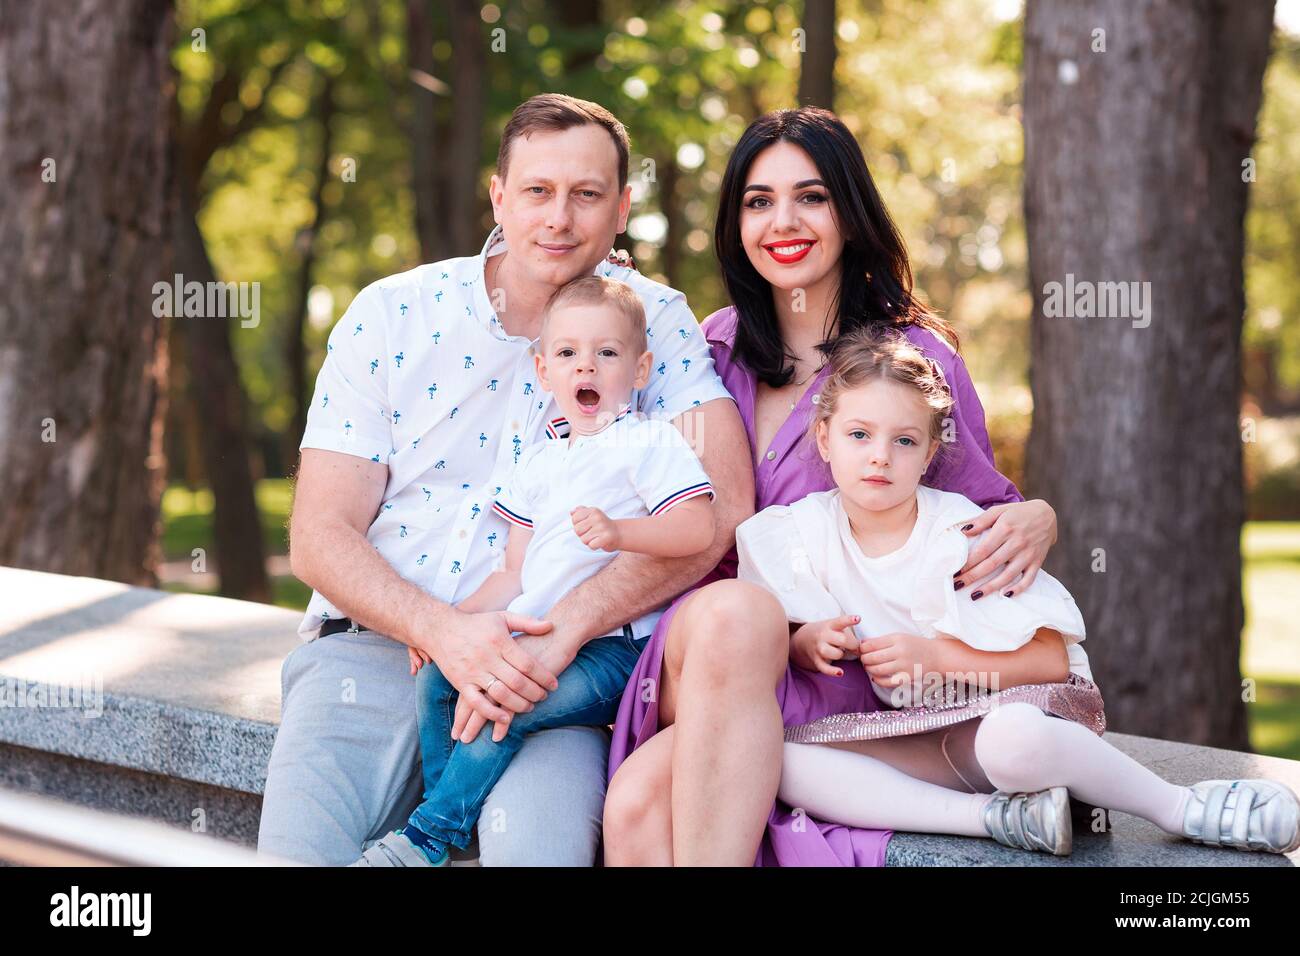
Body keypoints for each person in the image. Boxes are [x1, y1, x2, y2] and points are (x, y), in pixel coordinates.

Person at [259, 94, 750, 866]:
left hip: (555, 667)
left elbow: (723, 510)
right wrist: (440, 630)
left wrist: (568, 629)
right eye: (537, 191)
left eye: (587, 195)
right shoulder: (392, 314)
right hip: (382, 649)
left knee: (539, 854)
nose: (559, 218)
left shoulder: (655, 324)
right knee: (298, 858)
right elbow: (320, 537)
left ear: (621, 208)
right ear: (498, 196)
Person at [603, 106, 1062, 866]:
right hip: (709, 650)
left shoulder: (912, 360)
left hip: (837, 667)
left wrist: (1038, 516)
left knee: (641, 802)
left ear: (850, 211)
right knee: (737, 614)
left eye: (811, 196)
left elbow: (972, 518)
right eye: (758, 201)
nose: (784, 220)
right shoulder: (702, 352)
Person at [741, 328, 1300, 857]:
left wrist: (935, 658)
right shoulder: (801, 531)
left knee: (1010, 742)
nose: (879, 456)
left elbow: (1050, 661)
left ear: (930, 453)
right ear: (824, 437)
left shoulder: (964, 537)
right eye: (859, 434)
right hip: (923, 734)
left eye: (904, 440)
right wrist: (804, 642)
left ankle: (1183, 807)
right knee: (784, 760)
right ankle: (996, 820)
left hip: (1026, 718)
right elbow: (778, 632)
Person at [352, 276, 716, 866]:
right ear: (545, 373)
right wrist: (445, 625)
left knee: (508, 700)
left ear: (641, 368)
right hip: (536, 635)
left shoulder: (648, 441)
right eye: (569, 354)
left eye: (607, 353)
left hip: (613, 651)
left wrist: (624, 533)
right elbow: (513, 574)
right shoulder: (541, 456)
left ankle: (427, 838)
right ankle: (456, 824)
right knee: (436, 680)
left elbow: (699, 528)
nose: (587, 368)